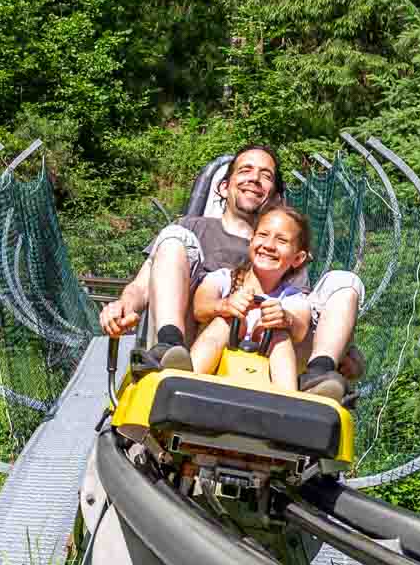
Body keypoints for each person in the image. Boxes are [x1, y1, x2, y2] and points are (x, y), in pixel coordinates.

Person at [97, 143, 362, 400]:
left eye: (266, 175)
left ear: (276, 197)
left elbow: (301, 313)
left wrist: (347, 351)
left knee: (345, 281)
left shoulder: (284, 253)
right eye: (245, 170)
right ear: (224, 186)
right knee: (174, 236)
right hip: (196, 339)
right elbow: (144, 285)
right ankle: (171, 347)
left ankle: (317, 373)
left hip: (268, 352)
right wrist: (124, 304)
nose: (254, 179)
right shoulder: (193, 229)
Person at [190, 202, 313, 390]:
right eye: (263, 235)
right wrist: (224, 306)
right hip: (215, 371)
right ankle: (190, 377)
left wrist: (285, 319)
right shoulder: (223, 279)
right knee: (227, 321)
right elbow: (200, 306)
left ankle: (287, 397)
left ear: (298, 258)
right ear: (251, 240)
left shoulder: (292, 298)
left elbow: (301, 327)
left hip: (262, 380)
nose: (269, 245)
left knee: (278, 333)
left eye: (281, 241)